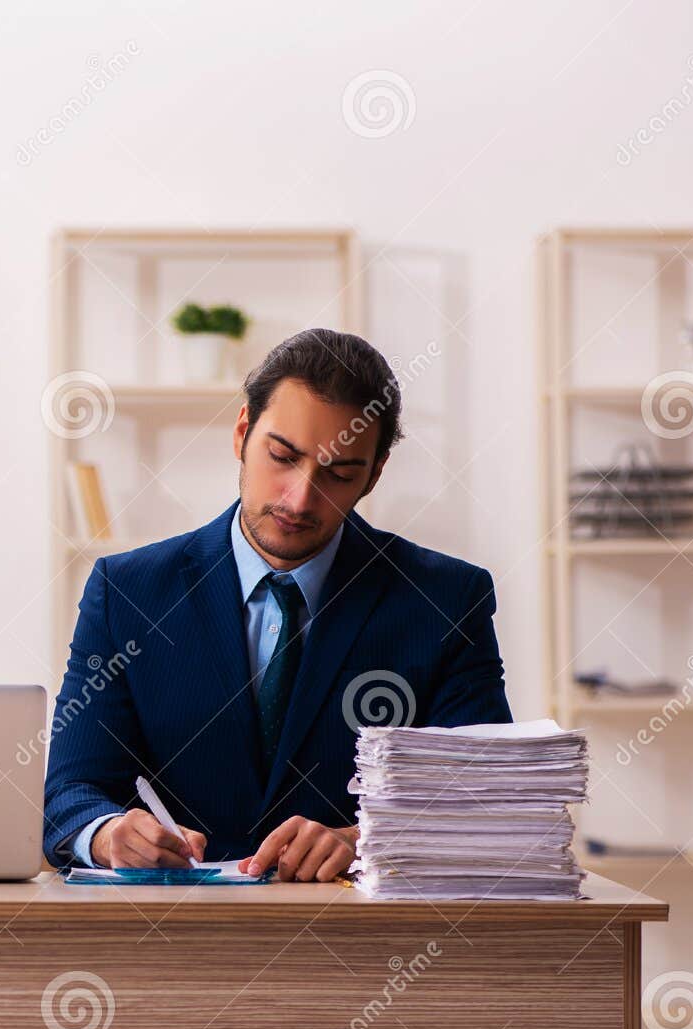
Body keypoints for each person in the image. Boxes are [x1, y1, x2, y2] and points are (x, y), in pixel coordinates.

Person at [43, 328, 511, 881]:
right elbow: (71, 791)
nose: (300, 498)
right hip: (166, 938)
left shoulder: (446, 601)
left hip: (361, 942)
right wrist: (107, 833)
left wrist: (365, 840)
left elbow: (489, 805)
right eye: (283, 456)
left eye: (339, 474)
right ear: (243, 431)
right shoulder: (127, 592)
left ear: (374, 474)